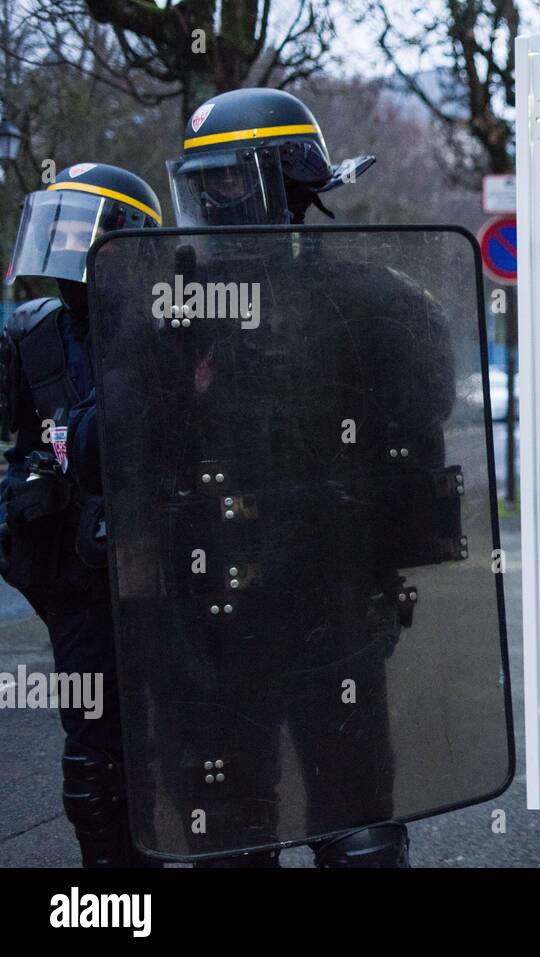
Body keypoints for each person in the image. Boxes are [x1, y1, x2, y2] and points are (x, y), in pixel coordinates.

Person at [80, 88, 466, 868]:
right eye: (201, 185)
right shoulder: (174, 309)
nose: (210, 201)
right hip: (211, 630)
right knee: (230, 831)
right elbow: (111, 450)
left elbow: (423, 414)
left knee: (357, 826)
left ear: (281, 178)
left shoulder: (374, 302)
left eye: (224, 181)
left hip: (336, 615)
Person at [0, 162, 164, 867]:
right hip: (79, 584)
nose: (64, 245)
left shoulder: (175, 324)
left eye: (81, 228)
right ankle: (116, 891)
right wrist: (25, 488)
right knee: (91, 752)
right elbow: (17, 445)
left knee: (206, 744)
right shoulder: (31, 335)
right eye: (56, 226)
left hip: (172, 576)